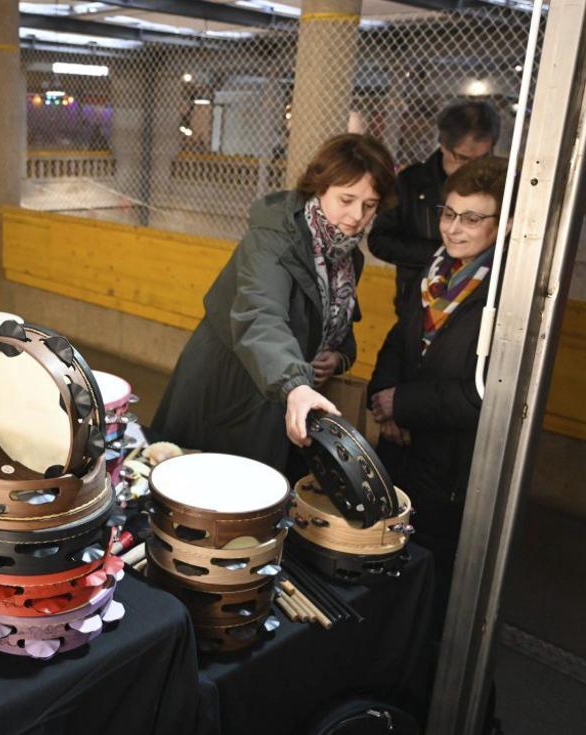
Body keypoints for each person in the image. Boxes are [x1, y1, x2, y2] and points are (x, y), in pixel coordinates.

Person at [152, 134, 396, 482]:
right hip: (231, 380)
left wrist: (339, 355)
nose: (357, 216)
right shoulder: (274, 236)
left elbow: (336, 323)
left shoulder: (346, 256)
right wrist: (296, 384)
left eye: (370, 205)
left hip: (280, 384)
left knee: (254, 495)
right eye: (347, 199)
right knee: (203, 488)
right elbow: (259, 315)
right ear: (320, 187)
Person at [366, 156, 512, 632]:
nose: (454, 228)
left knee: (430, 582)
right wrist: (383, 397)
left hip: (448, 464)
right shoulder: (435, 270)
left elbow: (482, 392)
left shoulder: (504, 294)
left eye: (472, 218)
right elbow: (398, 339)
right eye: (449, 214)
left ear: (503, 223)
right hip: (400, 447)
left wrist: (401, 404)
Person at [369, 101, 499, 314]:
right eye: (464, 158)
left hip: (478, 306)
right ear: (443, 145)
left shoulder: (501, 188)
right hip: (417, 303)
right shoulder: (410, 182)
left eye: (484, 157)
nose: (475, 168)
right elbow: (380, 241)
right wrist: (446, 253)